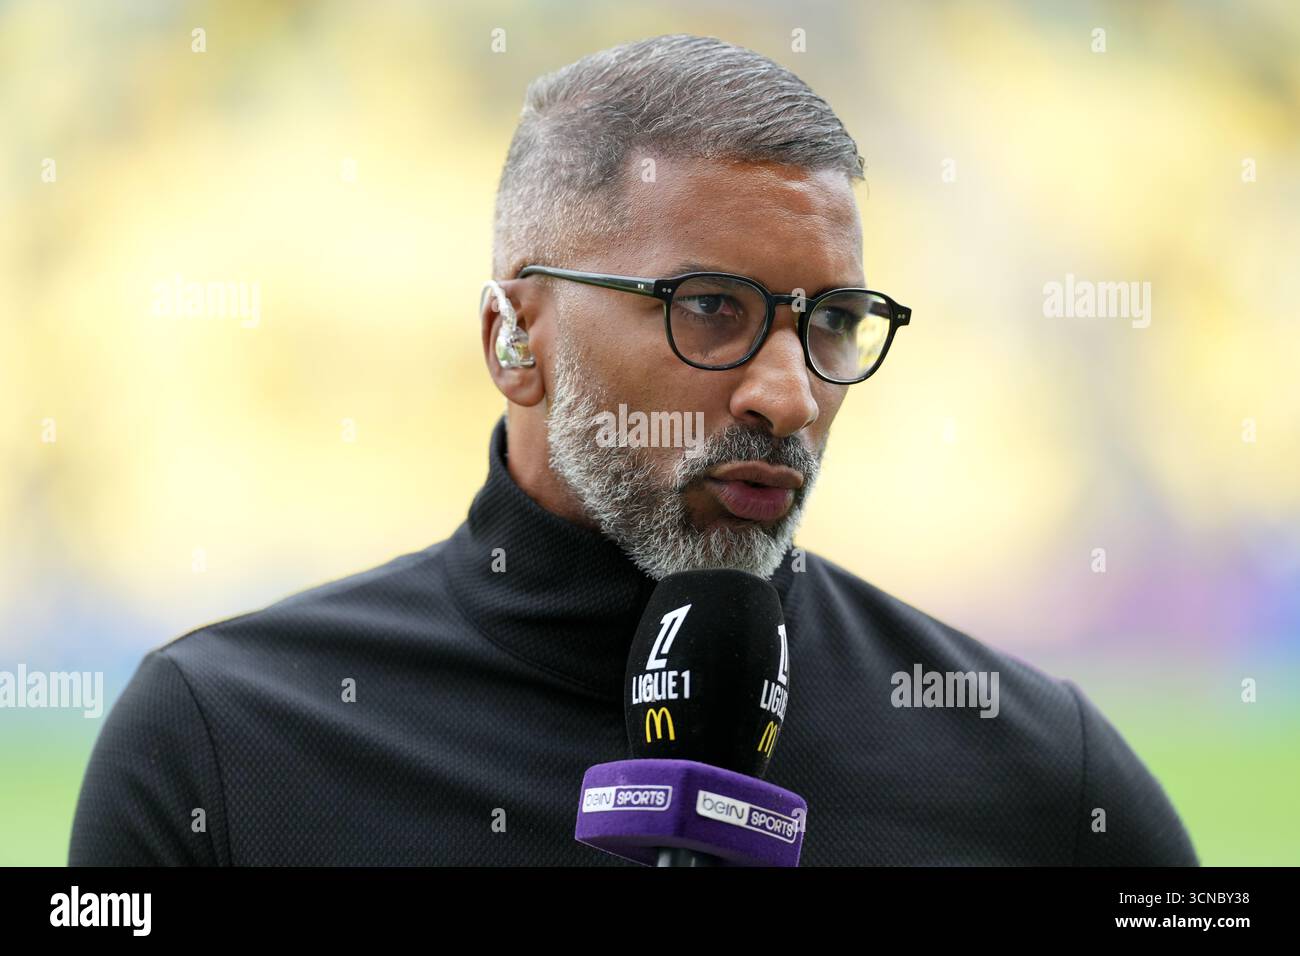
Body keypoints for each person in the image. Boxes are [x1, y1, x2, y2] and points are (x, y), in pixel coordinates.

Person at [69, 33, 1197, 866]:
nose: (790, 395)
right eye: (710, 307)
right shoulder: (223, 741)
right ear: (515, 339)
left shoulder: (1040, 770)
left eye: (833, 321)